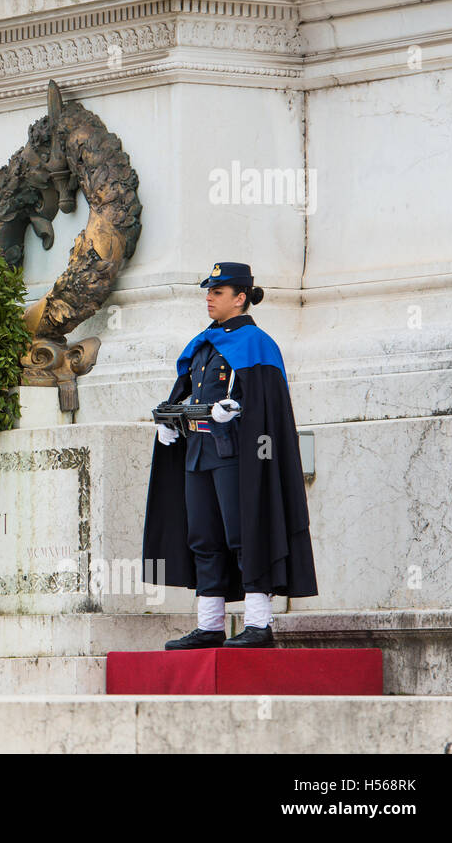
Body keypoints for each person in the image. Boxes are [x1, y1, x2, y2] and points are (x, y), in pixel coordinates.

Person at [142, 262, 318, 648]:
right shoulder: (204, 342)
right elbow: (185, 391)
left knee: (245, 536)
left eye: (217, 293)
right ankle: (210, 625)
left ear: (240, 298)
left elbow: (265, 407)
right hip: (199, 453)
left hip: (239, 457)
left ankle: (258, 624)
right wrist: (170, 419)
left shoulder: (256, 343)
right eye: (208, 291)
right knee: (203, 538)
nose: (209, 298)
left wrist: (237, 412)